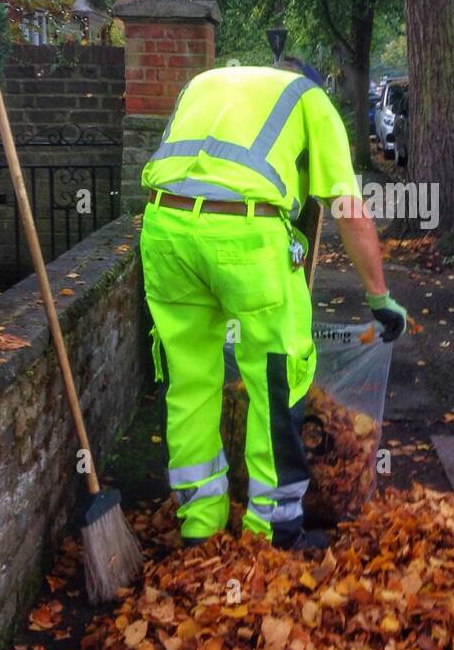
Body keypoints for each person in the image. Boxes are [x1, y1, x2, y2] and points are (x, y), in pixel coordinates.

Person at [139, 58, 407, 552]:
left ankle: (200, 524)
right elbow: (348, 207)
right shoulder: (310, 100)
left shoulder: (205, 81)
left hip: (163, 228)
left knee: (188, 377)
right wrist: (379, 295)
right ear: (312, 78)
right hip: (245, 237)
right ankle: (273, 532)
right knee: (275, 374)